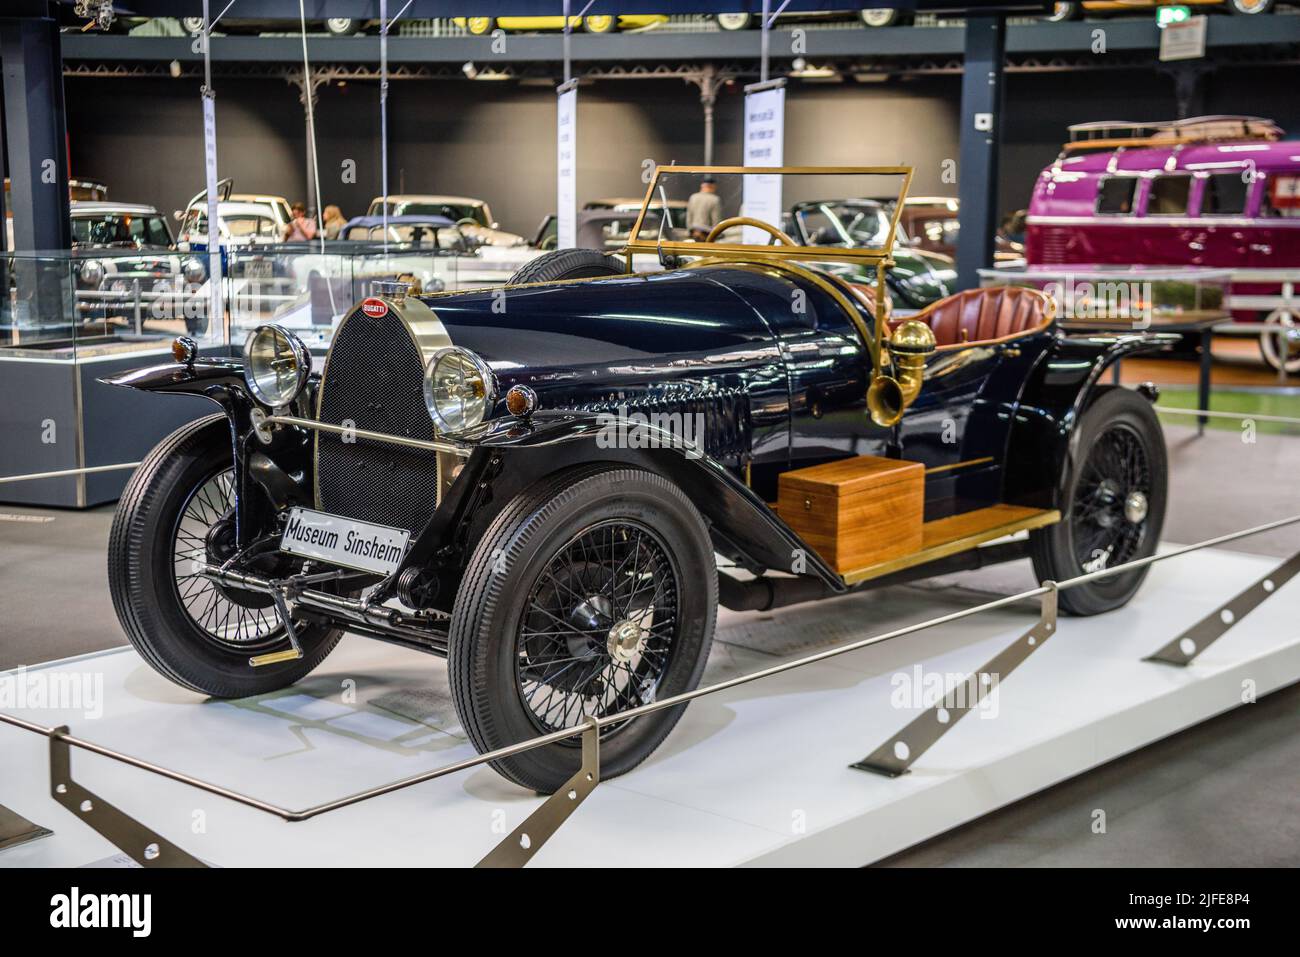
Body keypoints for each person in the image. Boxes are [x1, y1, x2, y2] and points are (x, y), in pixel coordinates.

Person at [686, 175, 722, 242]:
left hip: (694, 231)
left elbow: (689, 216)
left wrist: (690, 231)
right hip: (706, 233)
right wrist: (717, 234)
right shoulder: (714, 199)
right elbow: (716, 219)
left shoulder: (693, 197)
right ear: (712, 186)